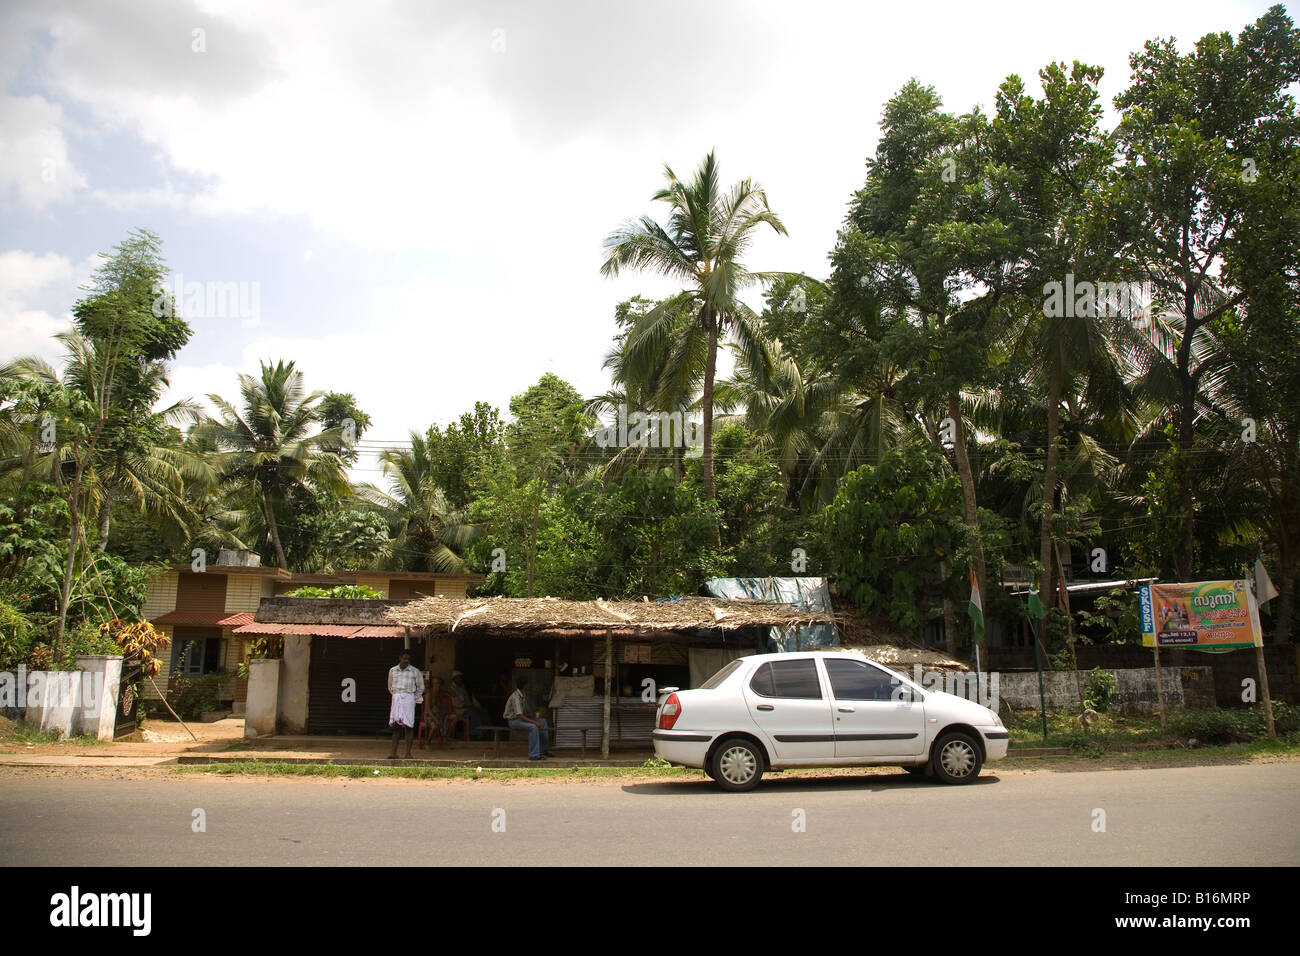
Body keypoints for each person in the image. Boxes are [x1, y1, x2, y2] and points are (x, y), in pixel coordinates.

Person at [387, 650, 424, 759]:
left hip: (409, 698)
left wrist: (414, 699)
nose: (406, 660)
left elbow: (421, 687)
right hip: (397, 698)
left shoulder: (415, 671)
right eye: (404, 658)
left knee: (409, 726)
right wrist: (396, 695)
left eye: (408, 658)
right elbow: (390, 686)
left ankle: (408, 753)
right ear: (400, 658)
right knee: (396, 726)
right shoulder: (393, 670)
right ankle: (393, 753)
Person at [504, 677, 550, 760]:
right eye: (528, 685)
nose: (529, 686)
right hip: (514, 721)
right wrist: (535, 723)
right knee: (533, 727)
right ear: (525, 686)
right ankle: (534, 755)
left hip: (521, 718)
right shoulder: (516, 697)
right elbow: (519, 715)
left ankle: (543, 750)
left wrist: (531, 715)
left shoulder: (523, 694)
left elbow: (523, 712)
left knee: (543, 721)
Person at [449, 670, 488, 740]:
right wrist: (470, 706)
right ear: (454, 679)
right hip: (460, 710)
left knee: (484, 712)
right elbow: (457, 704)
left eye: (460, 677)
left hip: (468, 708)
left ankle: (484, 733)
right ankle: (474, 734)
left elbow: (471, 699)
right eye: (457, 678)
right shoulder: (452, 689)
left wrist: (478, 706)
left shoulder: (463, 688)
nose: (459, 679)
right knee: (474, 714)